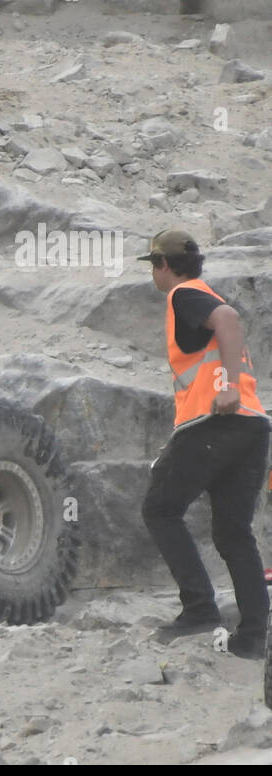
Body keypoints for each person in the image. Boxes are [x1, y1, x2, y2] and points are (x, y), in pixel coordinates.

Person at [140, 229, 270, 659]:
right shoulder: (199, 291)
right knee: (234, 533)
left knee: (160, 509)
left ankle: (199, 612)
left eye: (154, 266)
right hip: (250, 427)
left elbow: (228, 319)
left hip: (214, 423)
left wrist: (229, 386)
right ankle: (251, 639)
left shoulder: (185, 294)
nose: (155, 275)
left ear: (163, 264)